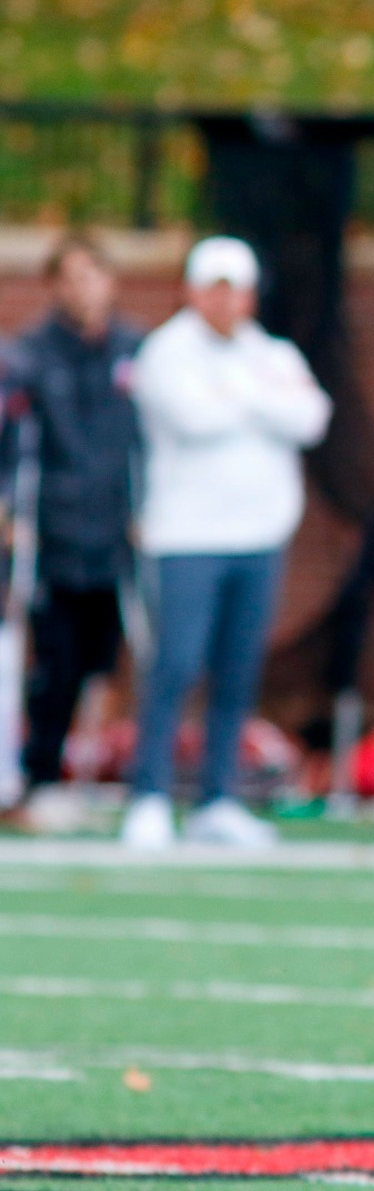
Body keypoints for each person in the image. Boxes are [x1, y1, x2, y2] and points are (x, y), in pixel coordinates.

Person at [122, 237, 332, 850]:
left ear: (250, 296)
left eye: (235, 290)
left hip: (260, 537)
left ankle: (217, 798)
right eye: (213, 289)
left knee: (237, 672)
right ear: (191, 292)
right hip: (186, 538)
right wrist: (266, 399)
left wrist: (241, 394)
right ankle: (150, 795)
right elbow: (195, 419)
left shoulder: (273, 352)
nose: (225, 301)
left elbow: (312, 418)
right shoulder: (165, 351)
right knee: (176, 665)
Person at [7, 234, 143, 835]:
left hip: (116, 539)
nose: (83, 288)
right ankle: (40, 777)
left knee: (104, 663)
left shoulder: (135, 351)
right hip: (54, 539)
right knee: (53, 666)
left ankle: (91, 774)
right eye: (70, 276)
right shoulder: (30, 356)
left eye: (93, 274)